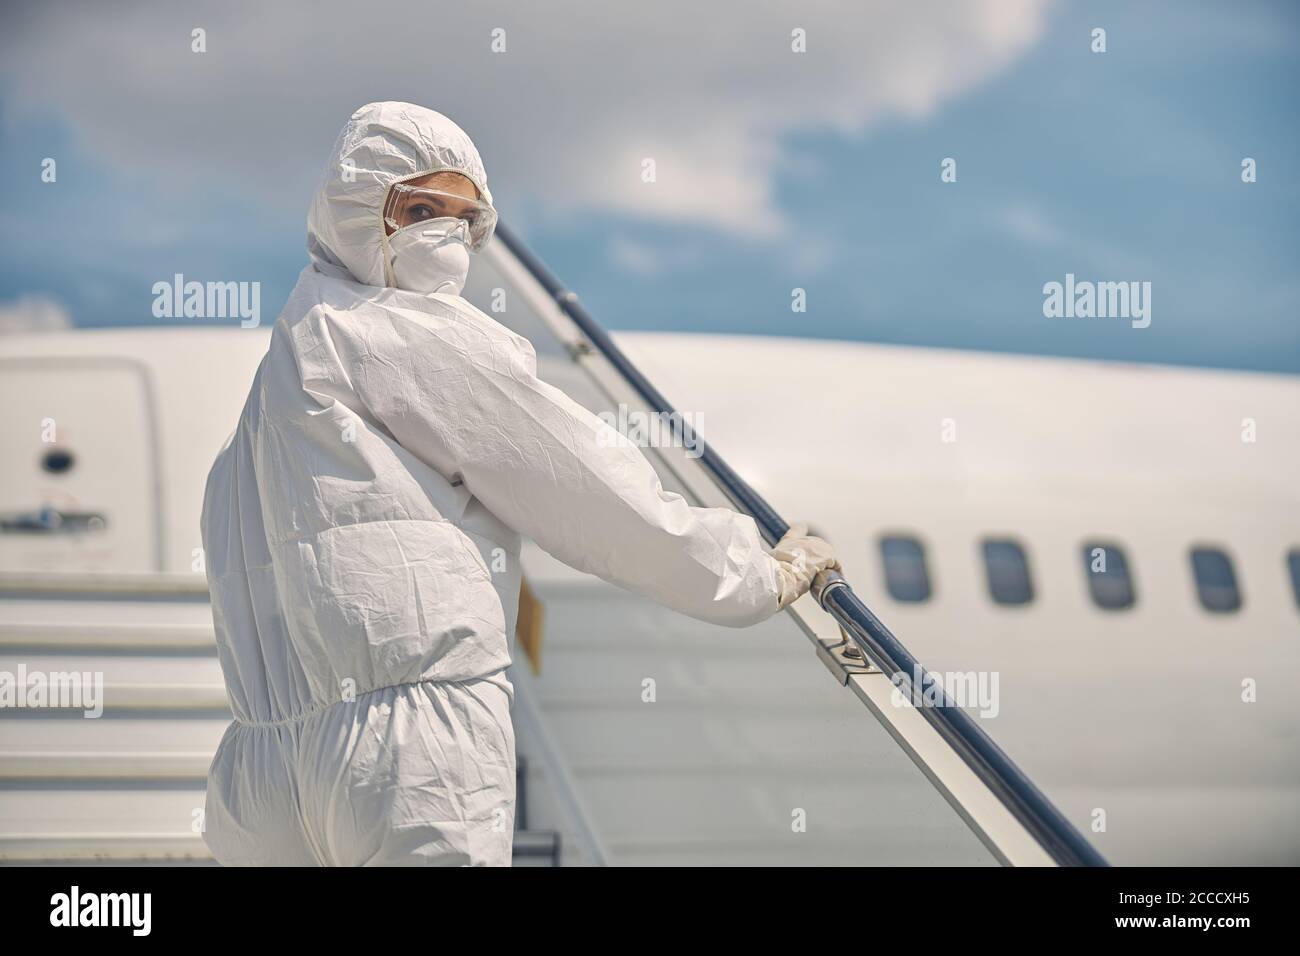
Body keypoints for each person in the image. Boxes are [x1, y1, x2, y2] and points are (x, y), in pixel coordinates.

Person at [199, 101, 839, 866]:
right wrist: (753, 575)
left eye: (465, 219)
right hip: (412, 754)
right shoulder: (403, 331)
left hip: (261, 775)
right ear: (357, 207)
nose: (446, 235)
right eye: (420, 209)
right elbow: (584, 486)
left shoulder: (270, 397)